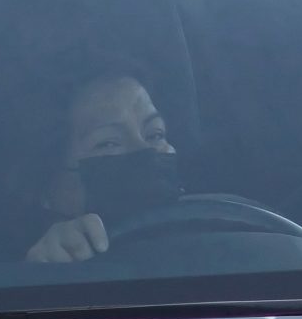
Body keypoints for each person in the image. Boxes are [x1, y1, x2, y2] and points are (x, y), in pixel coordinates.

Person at [20, 63, 187, 264]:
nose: (145, 150)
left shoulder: (223, 219)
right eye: (108, 143)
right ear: (48, 189)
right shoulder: (30, 274)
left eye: (155, 134)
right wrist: (47, 275)